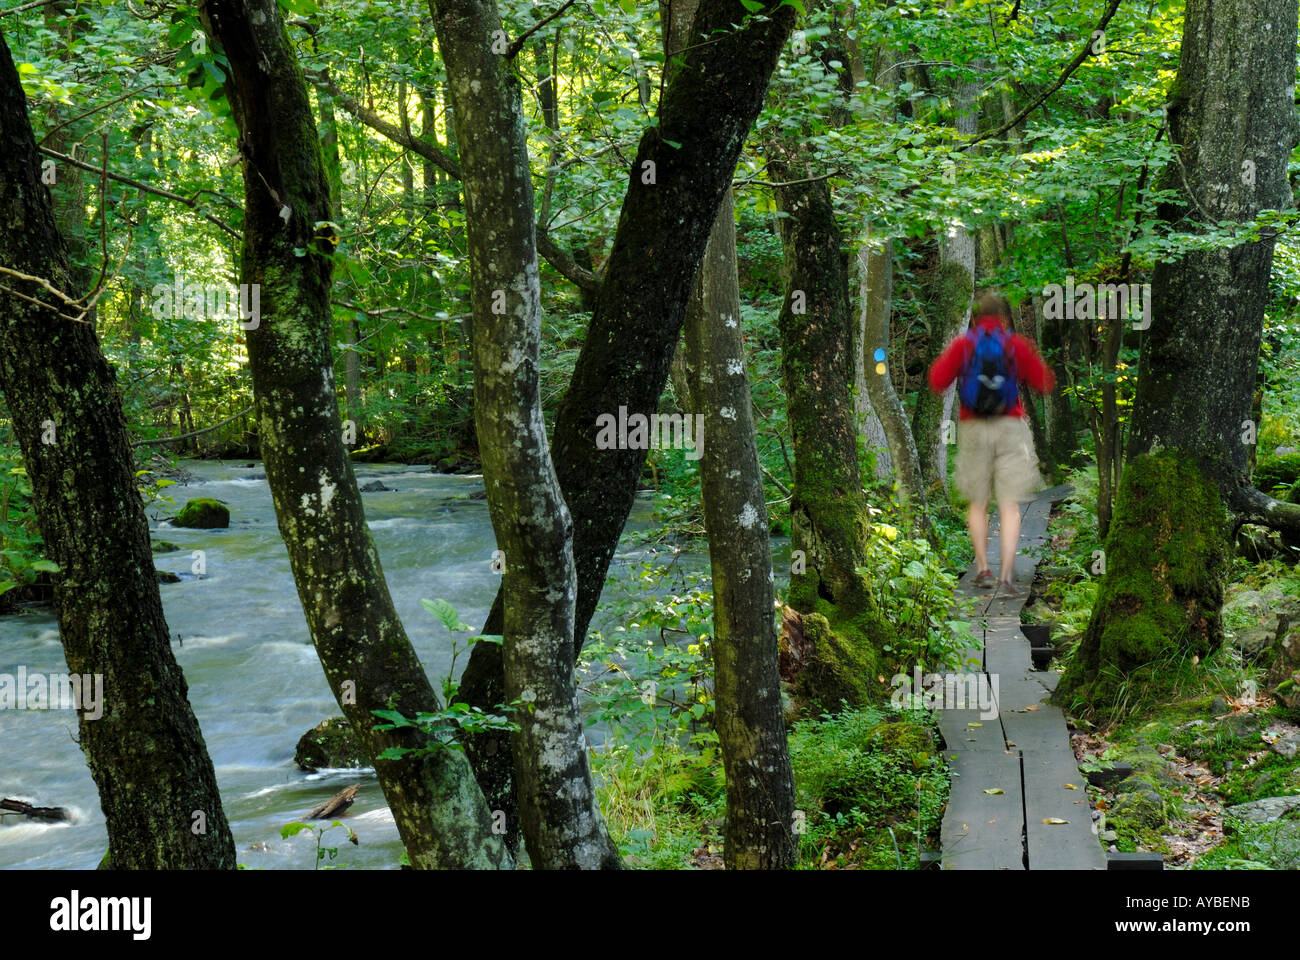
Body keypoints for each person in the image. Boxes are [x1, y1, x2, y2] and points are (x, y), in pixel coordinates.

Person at [927, 292, 1055, 597]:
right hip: (1010, 426)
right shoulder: (1016, 344)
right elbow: (1044, 382)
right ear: (1006, 318)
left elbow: (936, 380)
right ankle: (1006, 576)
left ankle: (983, 568)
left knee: (978, 502)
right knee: (1009, 504)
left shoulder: (963, 344)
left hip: (973, 428)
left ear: (974, 318)